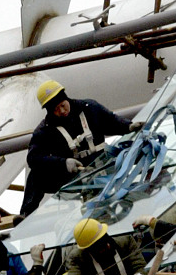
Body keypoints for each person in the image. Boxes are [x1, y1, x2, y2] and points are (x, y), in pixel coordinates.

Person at [21, 80, 133, 216]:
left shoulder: (89, 108)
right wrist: (63, 163)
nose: (62, 111)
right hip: (74, 175)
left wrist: (129, 126)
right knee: (36, 175)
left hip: (103, 166)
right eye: (56, 109)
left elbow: (111, 121)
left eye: (63, 105)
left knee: (133, 149)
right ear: (49, 111)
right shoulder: (45, 130)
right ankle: (26, 215)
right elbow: (34, 158)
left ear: (66, 98)